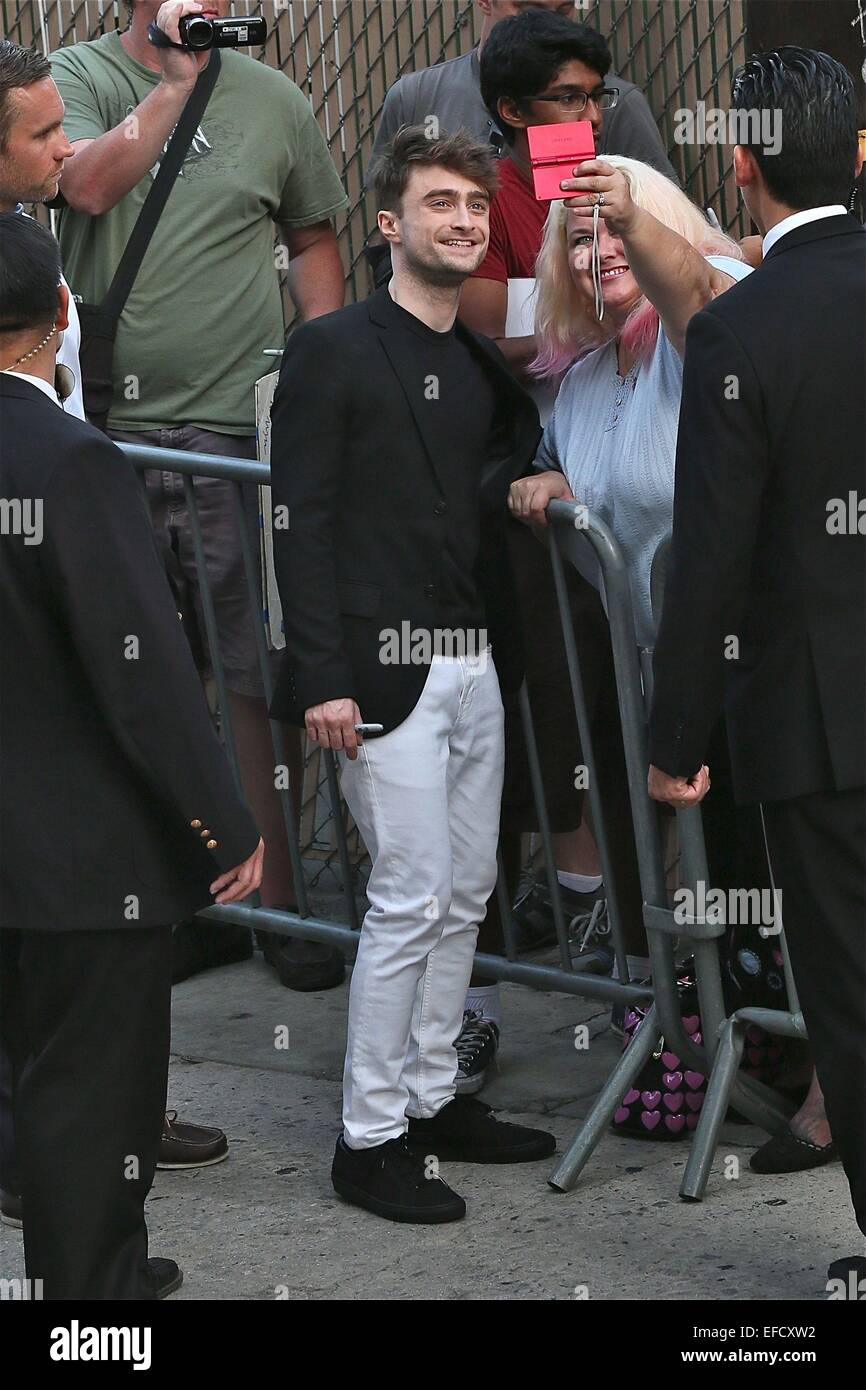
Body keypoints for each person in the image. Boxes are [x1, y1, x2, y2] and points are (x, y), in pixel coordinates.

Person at [269, 126, 555, 1224]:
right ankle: (369, 1135)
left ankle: (434, 1099)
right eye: (440, 204)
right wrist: (323, 678)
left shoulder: (476, 359)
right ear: (387, 222)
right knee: (406, 899)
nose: (465, 223)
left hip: (472, 660)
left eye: (475, 208)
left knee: (466, 894)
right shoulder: (333, 348)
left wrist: (540, 475)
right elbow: (302, 519)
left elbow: (498, 462)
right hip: (376, 681)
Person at [50, 0, 348, 991]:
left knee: (254, 673)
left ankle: (277, 901)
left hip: (236, 433)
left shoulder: (273, 101)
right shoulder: (79, 77)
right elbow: (84, 185)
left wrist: (318, 360)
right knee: (136, 671)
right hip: (108, 441)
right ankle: (167, 900)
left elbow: (311, 236)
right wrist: (175, 86)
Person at [0, 212, 264, 1299]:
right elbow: (142, 674)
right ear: (61, 314)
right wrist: (223, 821)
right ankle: (93, 1309)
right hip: (78, 860)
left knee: (38, 1096)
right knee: (91, 1108)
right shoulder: (70, 460)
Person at [646, 47, 865, 1290]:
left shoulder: (739, 329)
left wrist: (672, 740)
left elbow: (708, 560)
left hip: (821, 730)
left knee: (849, 994)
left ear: (737, 164)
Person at [366, 0, 676, 289]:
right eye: (530, 9)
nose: (593, 115)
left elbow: (675, 237)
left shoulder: (619, 110)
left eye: (564, 11)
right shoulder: (417, 95)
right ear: (511, 111)